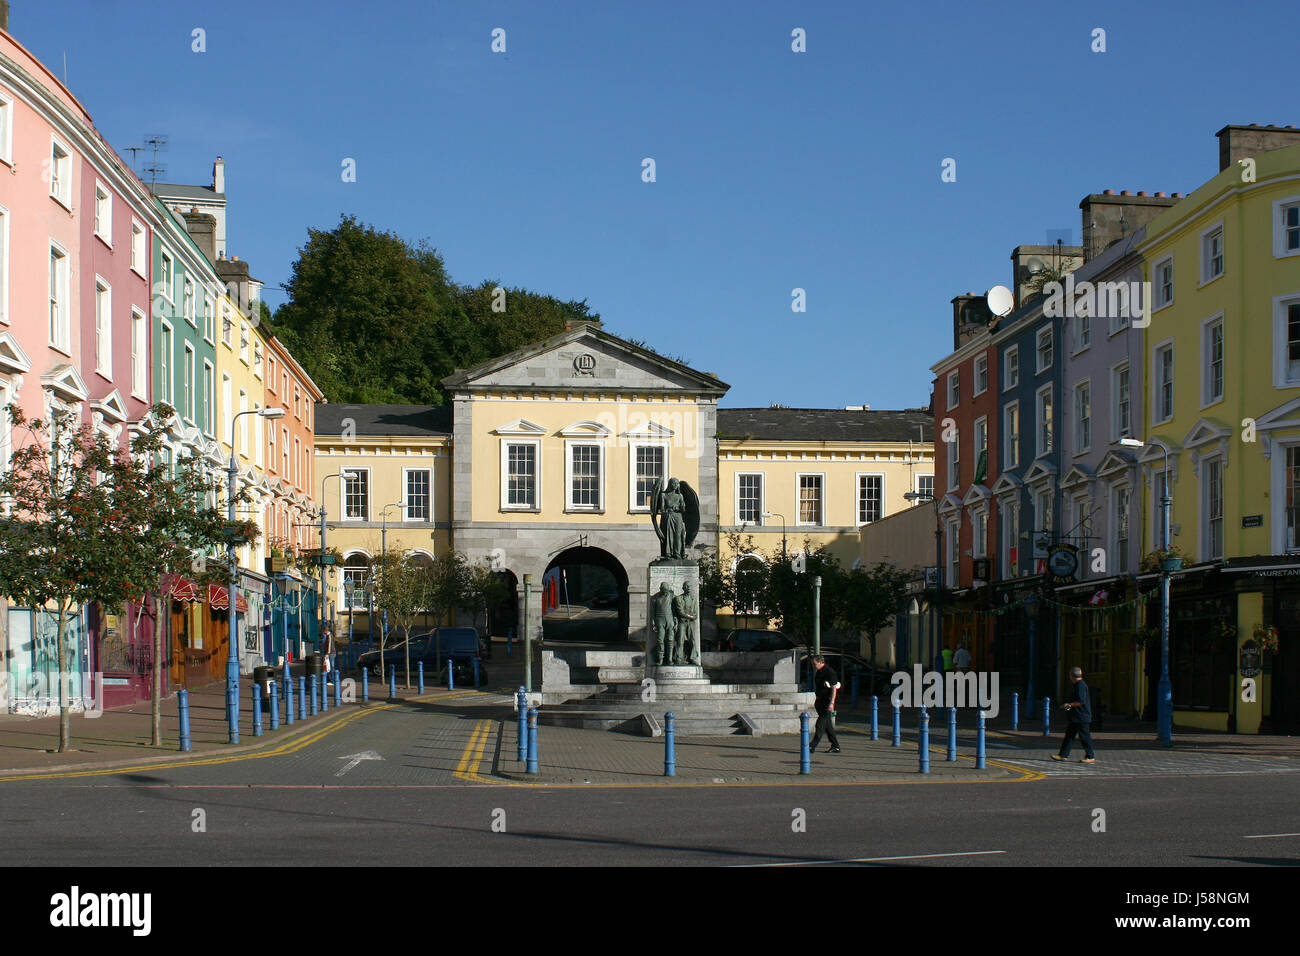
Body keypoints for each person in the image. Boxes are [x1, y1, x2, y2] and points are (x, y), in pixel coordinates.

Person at [1054, 666, 1096, 763]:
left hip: (1082, 716)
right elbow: (1073, 702)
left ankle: (1090, 756)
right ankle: (1063, 755)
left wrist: (1069, 705)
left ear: (1071, 676)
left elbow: (1081, 701)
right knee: (1069, 736)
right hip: (1076, 716)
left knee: (1084, 737)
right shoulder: (1076, 685)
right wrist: (1067, 708)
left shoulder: (1080, 685)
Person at [808, 655, 841, 754]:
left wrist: (832, 703)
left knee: (820, 724)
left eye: (814, 664)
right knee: (828, 726)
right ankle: (835, 746)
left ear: (820, 662)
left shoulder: (829, 672)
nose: (814, 666)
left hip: (827, 701)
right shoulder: (818, 672)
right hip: (820, 700)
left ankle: (812, 745)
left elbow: (834, 688)